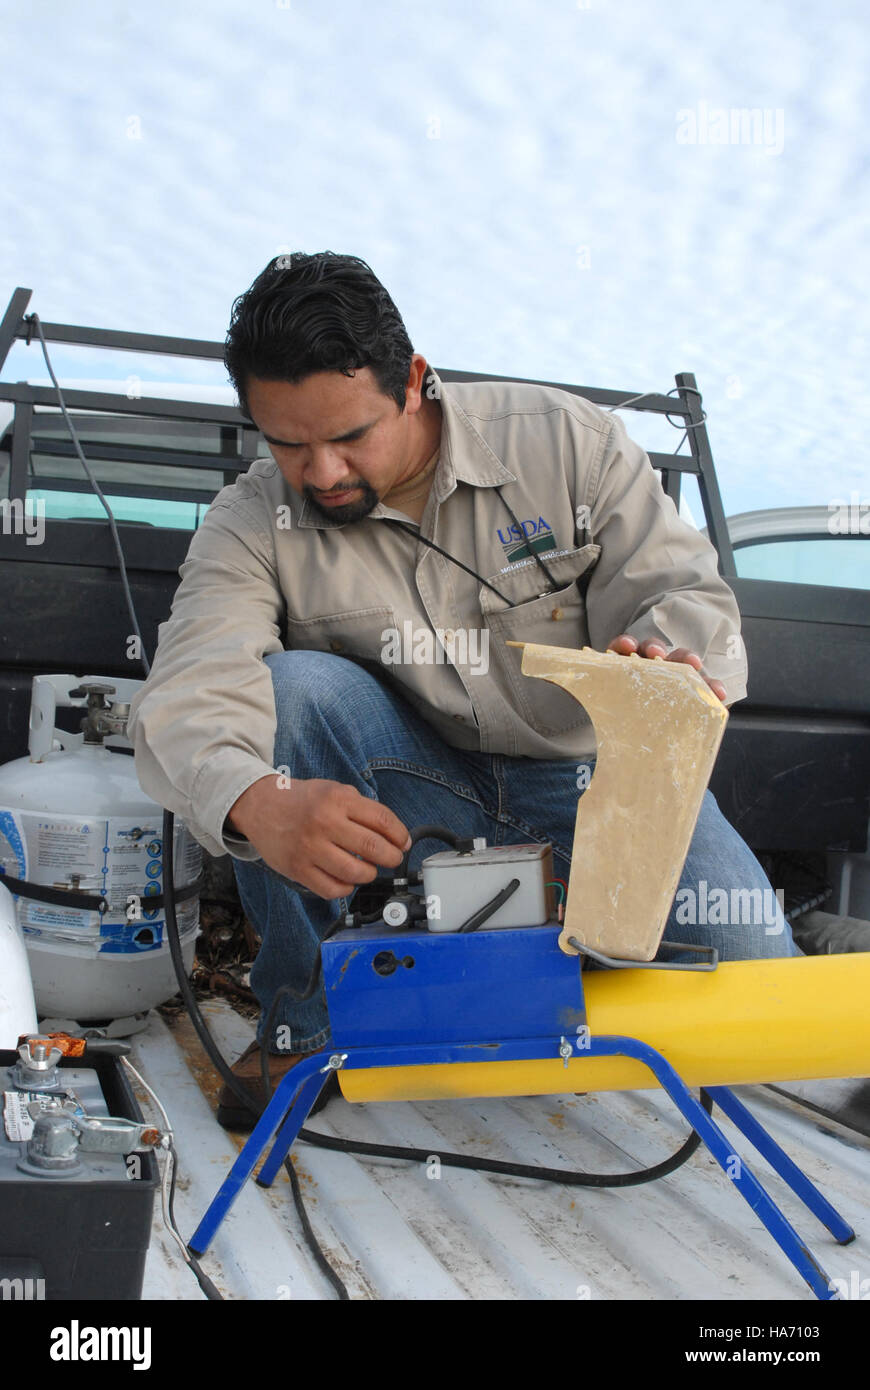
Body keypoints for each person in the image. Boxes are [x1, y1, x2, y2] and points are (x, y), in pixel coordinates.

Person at [126, 251, 797, 1129]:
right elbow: (193, 685)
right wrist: (256, 801)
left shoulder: (568, 442)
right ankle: (304, 1018)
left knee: (749, 968)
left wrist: (666, 665)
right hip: (415, 787)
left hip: (602, 787)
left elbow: (683, 593)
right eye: (287, 443)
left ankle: (546, 967)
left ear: (413, 382)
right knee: (287, 694)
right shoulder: (253, 517)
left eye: (350, 436)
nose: (321, 471)